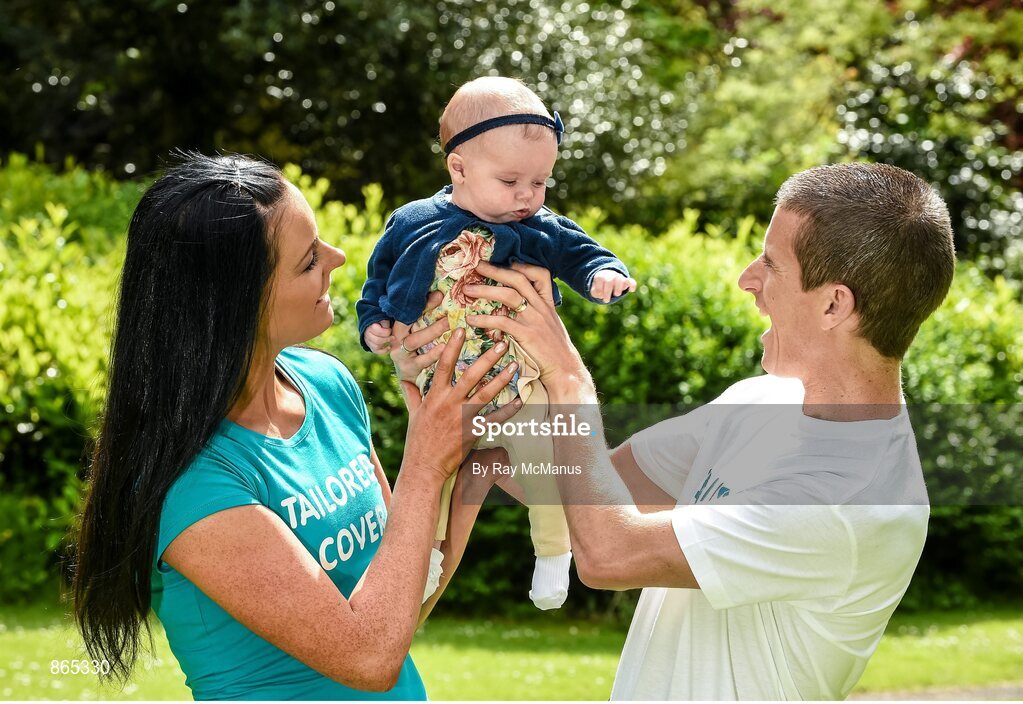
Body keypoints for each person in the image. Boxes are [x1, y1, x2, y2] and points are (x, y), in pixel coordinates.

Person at [458, 163, 956, 699]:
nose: (748, 278)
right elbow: (587, 488)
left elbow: (609, 553)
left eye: (771, 263)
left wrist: (568, 377)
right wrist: (470, 426)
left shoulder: (851, 500)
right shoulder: (759, 401)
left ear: (835, 304)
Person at [72, 153, 519, 700]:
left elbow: (400, 605)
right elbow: (369, 656)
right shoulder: (192, 485)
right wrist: (426, 462)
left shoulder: (325, 382)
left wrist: (470, 469)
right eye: (308, 261)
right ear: (236, 302)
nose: (337, 258)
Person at [357, 76, 637, 610]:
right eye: (510, 180)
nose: (528, 196)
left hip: (517, 377)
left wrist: (603, 273)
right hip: (442, 382)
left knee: (545, 461)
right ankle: (424, 556)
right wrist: (373, 321)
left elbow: (582, 253)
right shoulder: (413, 221)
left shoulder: (539, 226)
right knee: (427, 472)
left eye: (541, 181)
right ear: (457, 168)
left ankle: (553, 554)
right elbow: (379, 276)